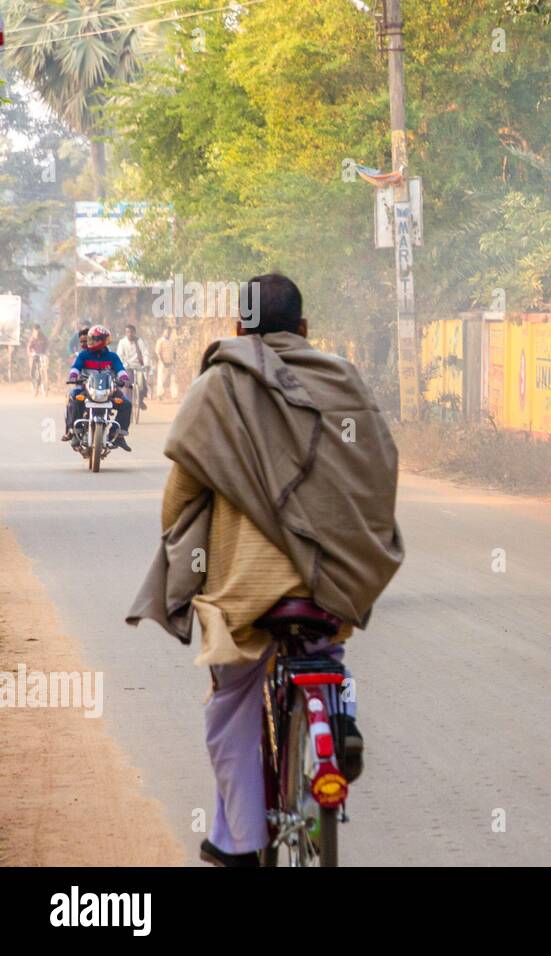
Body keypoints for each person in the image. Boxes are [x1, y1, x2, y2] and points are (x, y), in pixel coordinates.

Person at [126, 273, 404, 867]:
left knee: (232, 702)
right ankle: (339, 713)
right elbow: (381, 471)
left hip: (251, 593)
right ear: (303, 329)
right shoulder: (344, 379)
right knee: (326, 653)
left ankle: (240, 844)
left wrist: (189, 550)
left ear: (238, 328)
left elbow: (180, 499)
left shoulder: (219, 386)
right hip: (331, 582)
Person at [63, 325, 133, 451]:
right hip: (87, 389)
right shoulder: (84, 355)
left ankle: (118, 434)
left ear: (102, 341)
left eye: (94, 339)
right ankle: (74, 430)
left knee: (126, 403)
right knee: (73, 396)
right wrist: (73, 376)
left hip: (109, 390)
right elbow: (75, 367)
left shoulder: (112, 357)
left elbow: (120, 370)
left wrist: (125, 380)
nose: (91, 341)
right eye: (91, 338)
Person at [117, 323, 151, 411]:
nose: (130, 334)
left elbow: (145, 353)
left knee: (143, 386)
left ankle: (140, 401)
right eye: (127, 332)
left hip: (138, 366)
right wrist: (123, 363)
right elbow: (119, 355)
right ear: (125, 333)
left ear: (134, 332)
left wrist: (146, 364)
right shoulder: (122, 342)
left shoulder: (139, 341)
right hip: (127, 366)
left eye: (131, 332)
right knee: (127, 385)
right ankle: (128, 403)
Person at [154, 325, 179, 400]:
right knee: (161, 379)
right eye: (166, 331)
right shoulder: (160, 341)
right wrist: (162, 362)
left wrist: (174, 360)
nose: (168, 333)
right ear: (163, 332)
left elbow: (174, 352)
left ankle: (174, 395)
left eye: (169, 332)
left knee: (174, 379)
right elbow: (158, 353)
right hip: (163, 363)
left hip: (171, 363)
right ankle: (160, 394)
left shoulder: (172, 341)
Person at [27, 325, 49, 394]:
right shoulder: (32, 339)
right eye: (35, 332)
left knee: (43, 369)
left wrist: (47, 352)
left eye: (38, 331)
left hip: (42, 355)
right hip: (34, 355)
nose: (37, 333)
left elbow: (47, 346)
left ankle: (44, 384)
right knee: (32, 370)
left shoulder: (44, 338)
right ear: (33, 331)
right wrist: (31, 353)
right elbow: (29, 348)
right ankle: (33, 382)